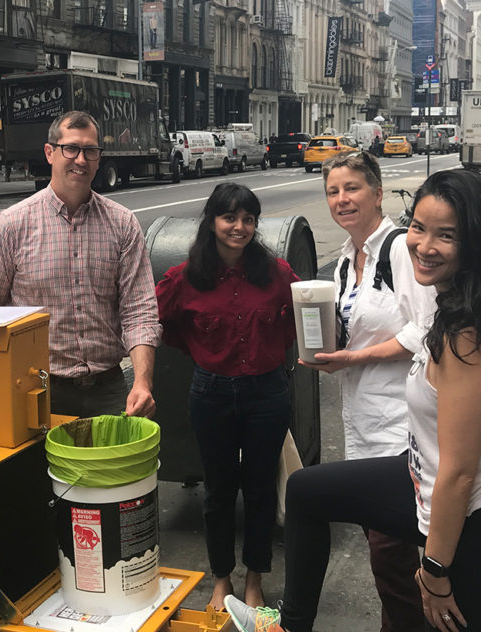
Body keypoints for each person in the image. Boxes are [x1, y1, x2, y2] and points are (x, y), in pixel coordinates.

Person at [225, 168, 481, 632]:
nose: (424, 245)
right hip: (412, 467)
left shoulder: (465, 336)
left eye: (447, 235)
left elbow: (460, 473)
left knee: (419, 593)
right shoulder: (444, 304)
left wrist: (437, 572)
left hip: (456, 508)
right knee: (306, 491)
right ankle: (289, 625)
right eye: (419, 228)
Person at [305, 152, 436, 632]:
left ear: (378, 193)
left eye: (352, 188)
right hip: (361, 425)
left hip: (405, 430)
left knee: (392, 559)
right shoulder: (343, 262)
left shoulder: (402, 249)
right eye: (333, 191)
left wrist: (355, 358)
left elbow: (428, 331)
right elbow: (355, 332)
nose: (342, 199)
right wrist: (327, 353)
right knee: (392, 562)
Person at [156, 183, 299, 610]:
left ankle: (255, 578)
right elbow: (162, 324)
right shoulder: (185, 277)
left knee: (259, 489)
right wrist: (205, 352)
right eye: (230, 218)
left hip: (267, 393)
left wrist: (273, 349)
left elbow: (300, 318)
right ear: (212, 221)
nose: (239, 227)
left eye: (248, 219)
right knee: (218, 491)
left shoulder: (276, 273)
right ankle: (222, 578)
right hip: (211, 392)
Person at [0, 110, 161, 419]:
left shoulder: (122, 224)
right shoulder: (10, 226)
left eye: (90, 150)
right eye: (71, 148)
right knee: (39, 470)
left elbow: (139, 310)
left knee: (112, 467)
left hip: (110, 391)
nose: (81, 160)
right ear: (50, 152)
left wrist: (142, 382)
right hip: (37, 392)